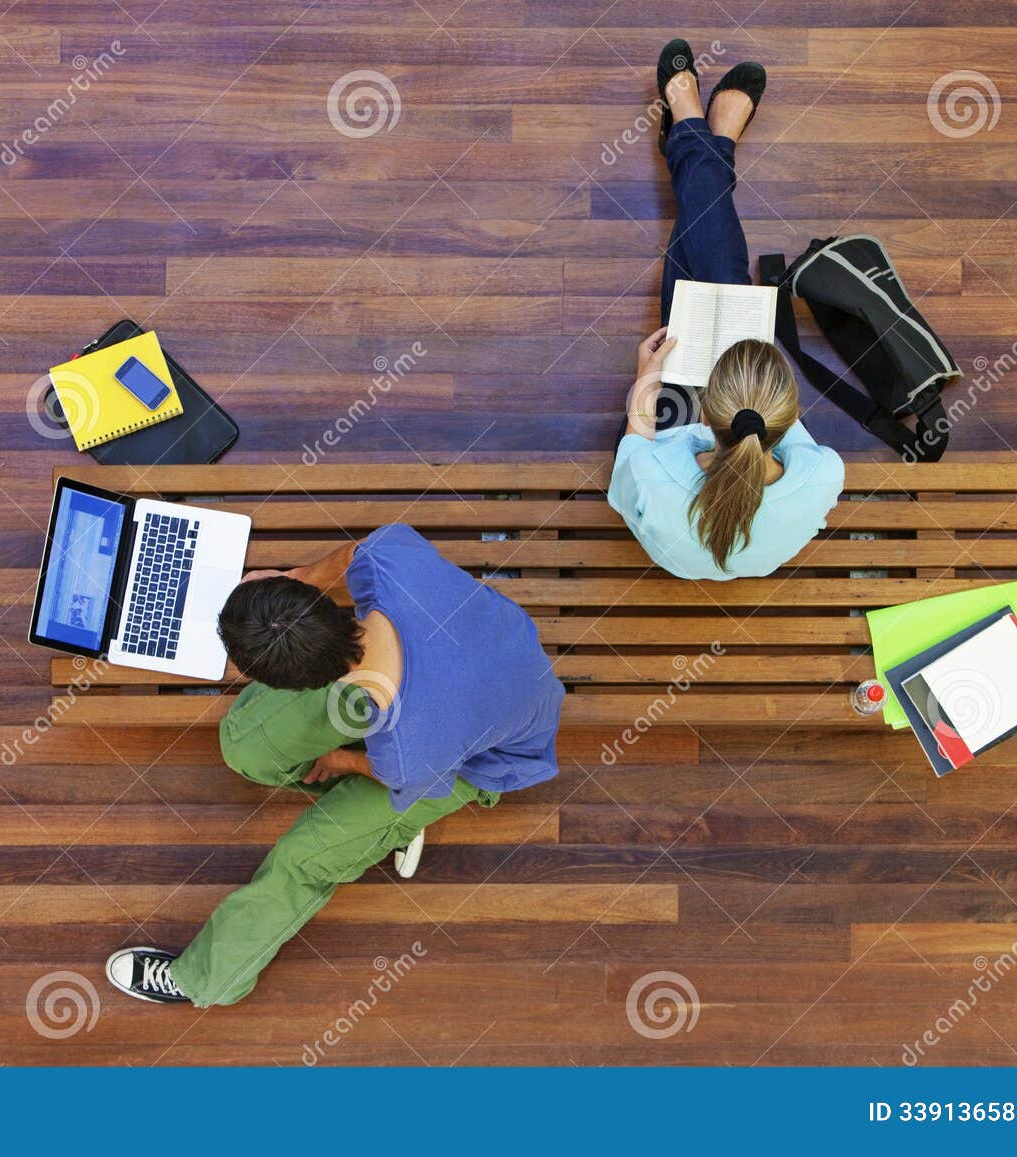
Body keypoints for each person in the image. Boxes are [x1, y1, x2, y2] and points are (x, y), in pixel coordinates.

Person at [104, 523, 565, 1007]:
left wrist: (342, 759)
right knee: (246, 745)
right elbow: (353, 554)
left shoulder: (408, 753)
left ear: (303, 684)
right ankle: (387, 824)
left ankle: (208, 980)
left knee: (303, 859)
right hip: (453, 678)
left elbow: (402, 777)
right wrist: (300, 575)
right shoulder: (388, 560)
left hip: (472, 760)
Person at [610, 39, 845, 581]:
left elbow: (626, 489)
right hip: (713, 438)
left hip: (668, 437)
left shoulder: (656, 473)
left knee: (713, 276)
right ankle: (704, 139)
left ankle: (699, 136)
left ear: (707, 412)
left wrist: (647, 380)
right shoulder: (819, 475)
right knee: (716, 276)